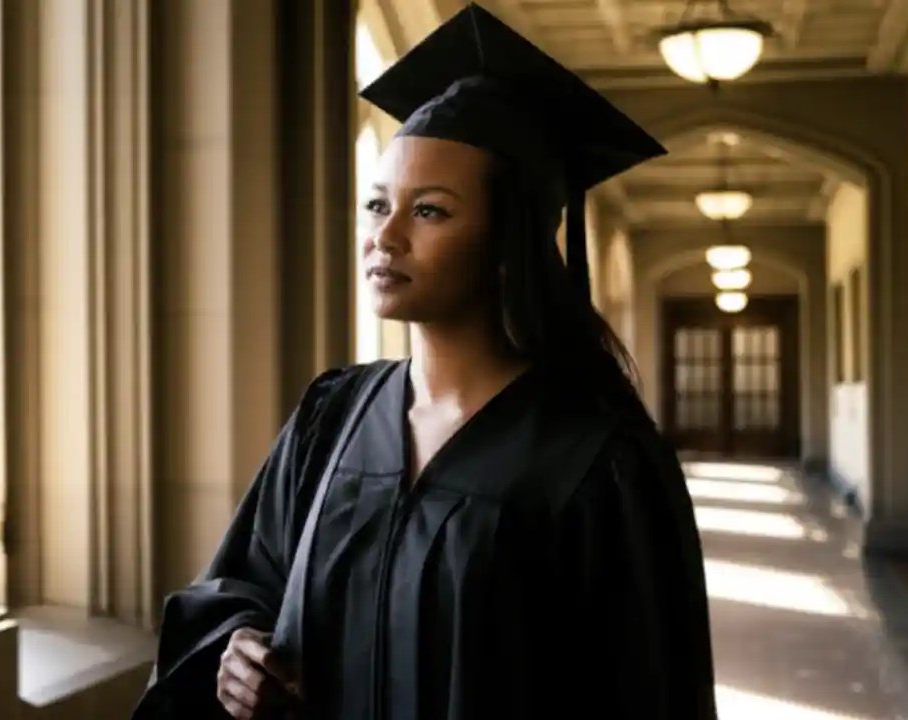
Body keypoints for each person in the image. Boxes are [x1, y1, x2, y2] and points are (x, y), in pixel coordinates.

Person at [132, 4, 716, 719]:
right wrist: (237, 648)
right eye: (378, 206)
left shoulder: (599, 463)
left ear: (509, 246)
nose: (387, 236)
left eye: (430, 211)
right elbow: (244, 581)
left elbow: (647, 693)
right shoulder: (333, 416)